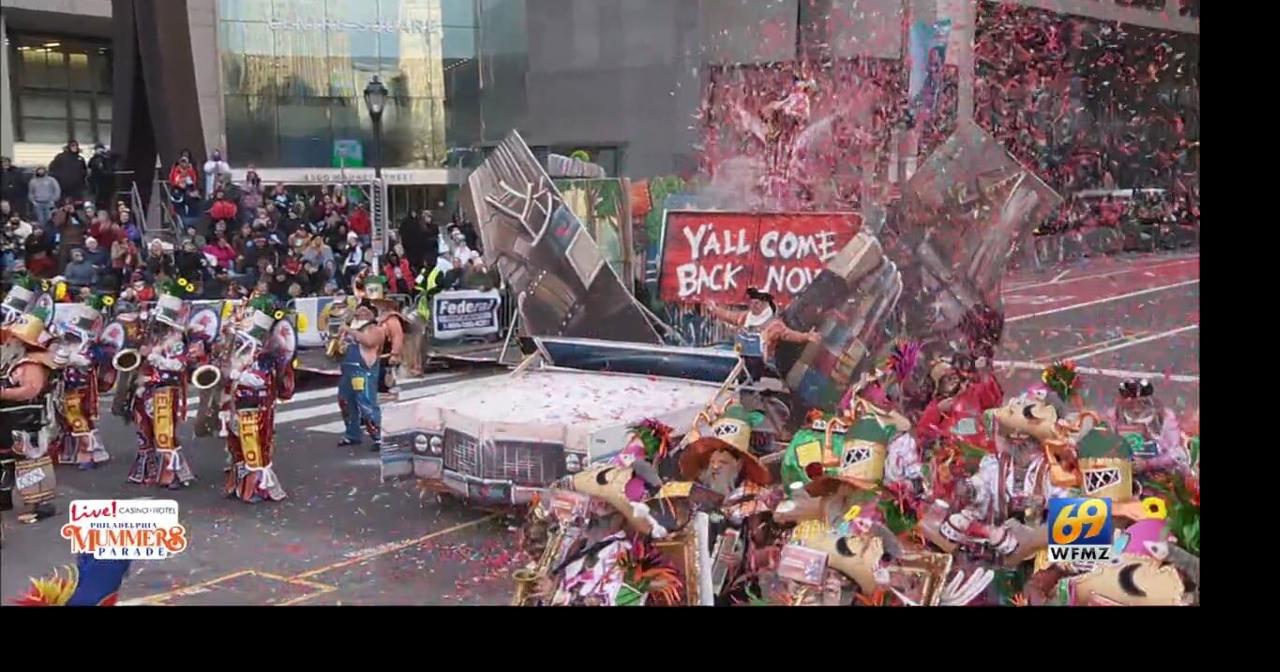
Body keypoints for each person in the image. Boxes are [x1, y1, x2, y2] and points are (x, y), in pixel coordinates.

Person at [221, 298, 296, 502]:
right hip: (237, 404)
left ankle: (255, 489)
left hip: (255, 406)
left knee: (253, 447)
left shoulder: (265, 354)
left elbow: (261, 380)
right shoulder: (240, 349)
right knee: (237, 447)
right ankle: (238, 486)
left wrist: (238, 375)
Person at [127, 286, 202, 488]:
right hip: (145, 387)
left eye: (160, 322)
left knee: (164, 432)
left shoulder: (176, 341)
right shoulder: (150, 336)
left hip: (165, 388)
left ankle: (173, 474)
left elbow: (179, 365)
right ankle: (149, 471)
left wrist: (156, 358)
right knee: (144, 430)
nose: (156, 325)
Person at [0, 288, 60, 524]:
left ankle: (38, 503)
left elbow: (30, 391)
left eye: (15, 338)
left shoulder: (32, 363)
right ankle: (4, 498)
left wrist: (3, 392)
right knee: (4, 461)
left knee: (30, 462)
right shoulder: (8, 360)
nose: (9, 341)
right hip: (6, 420)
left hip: (25, 421)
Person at [703, 288, 820, 375]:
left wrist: (806, 336)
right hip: (742, 362)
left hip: (761, 367)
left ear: (764, 304)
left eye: (757, 303)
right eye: (751, 303)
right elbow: (728, 315)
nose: (753, 306)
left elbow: (789, 335)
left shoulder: (774, 324)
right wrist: (714, 309)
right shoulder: (745, 317)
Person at [52, 297, 111, 469]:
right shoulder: (65, 346)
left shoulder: (90, 351)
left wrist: (70, 358)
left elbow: (87, 363)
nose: (70, 337)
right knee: (65, 421)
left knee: (77, 419)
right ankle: (74, 451)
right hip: (64, 388)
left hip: (80, 389)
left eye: (74, 334)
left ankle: (88, 453)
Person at [336, 300, 388, 452]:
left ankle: (379, 437)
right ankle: (352, 434)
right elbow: (339, 347)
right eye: (360, 309)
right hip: (347, 370)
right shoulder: (350, 327)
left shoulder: (377, 329)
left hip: (364, 371)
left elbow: (369, 342)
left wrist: (349, 331)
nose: (362, 312)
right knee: (345, 401)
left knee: (366, 404)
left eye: (366, 310)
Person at [87, 144, 116, 208]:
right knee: (98, 198)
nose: (99, 151)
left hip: (105, 183)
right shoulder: (94, 159)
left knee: (106, 199)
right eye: (98, 149)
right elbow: (90, 170)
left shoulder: (106, 159)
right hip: (97, 182)